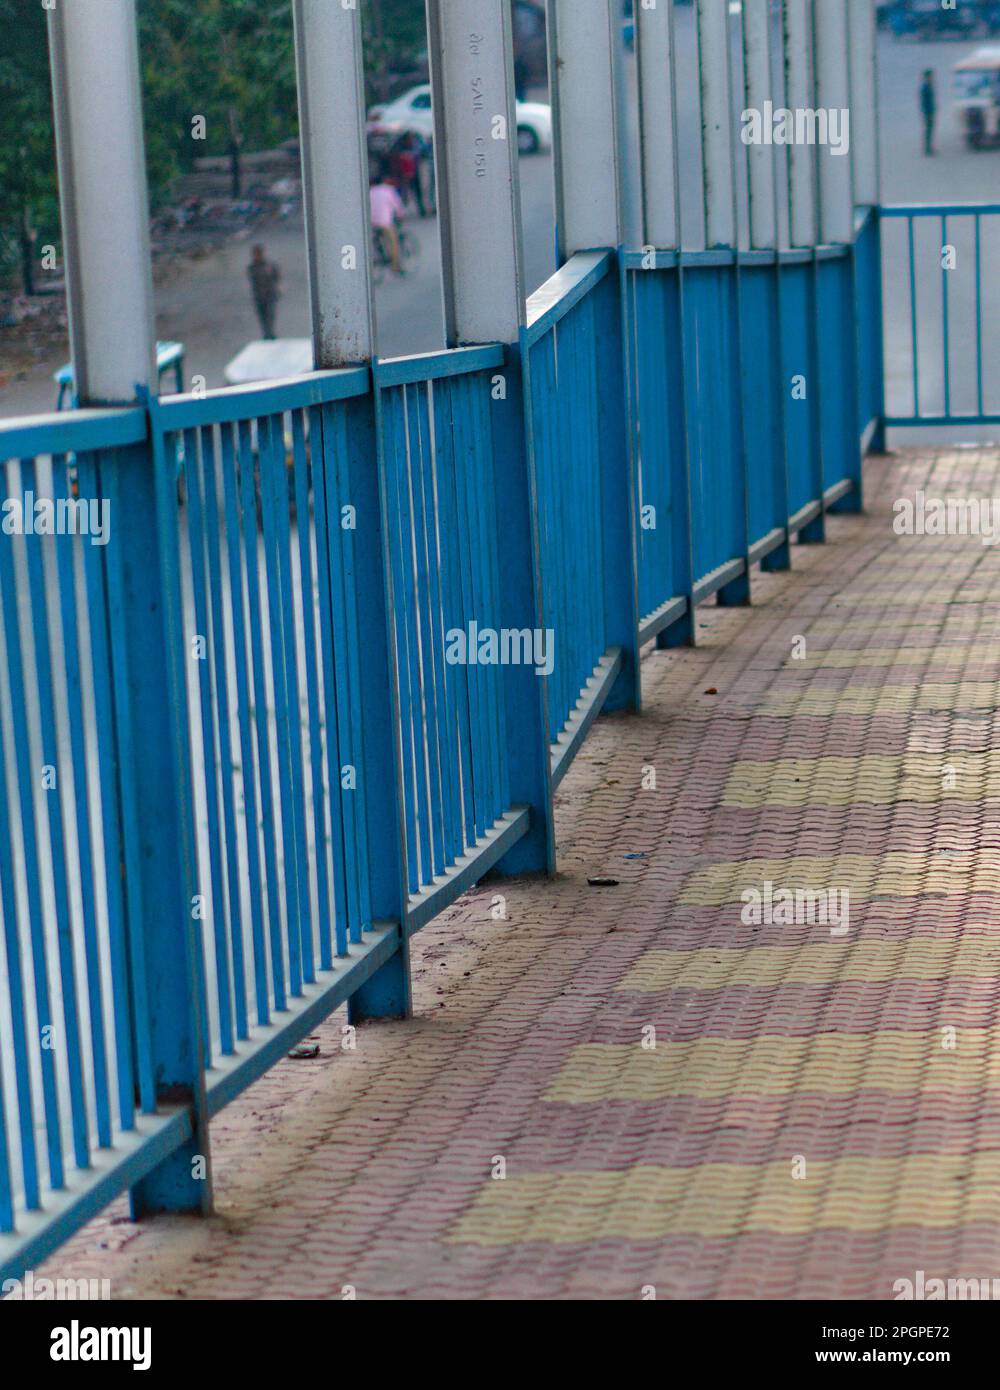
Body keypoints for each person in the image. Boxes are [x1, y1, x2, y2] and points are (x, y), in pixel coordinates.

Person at [370, 169, 406, 276]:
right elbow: (397, 206)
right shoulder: (388, 190)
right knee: (393, 242)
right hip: (384, 222)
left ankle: (380, 254)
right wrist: (400, 216)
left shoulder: (370, 191)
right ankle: (396, 266)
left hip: (371, 222)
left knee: (377, 238)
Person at [248, 244, 280, 339]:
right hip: (259, 296)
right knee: (262, 315)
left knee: (270, 314)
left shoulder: (269, 266)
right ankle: (266, 332)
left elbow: (276, 277)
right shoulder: (252, 267)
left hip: (270, 295)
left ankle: (270, 332)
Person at [920, 69, 937, 156]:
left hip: (930, 111)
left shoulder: (928, 86)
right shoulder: (925, 87)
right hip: (928, 112)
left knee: (930, 130)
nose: (932, 78)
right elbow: (924, 101)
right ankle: (927, 148)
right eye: (931, 76)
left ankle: (929, 147)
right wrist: (927, 112)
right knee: (928, 130)